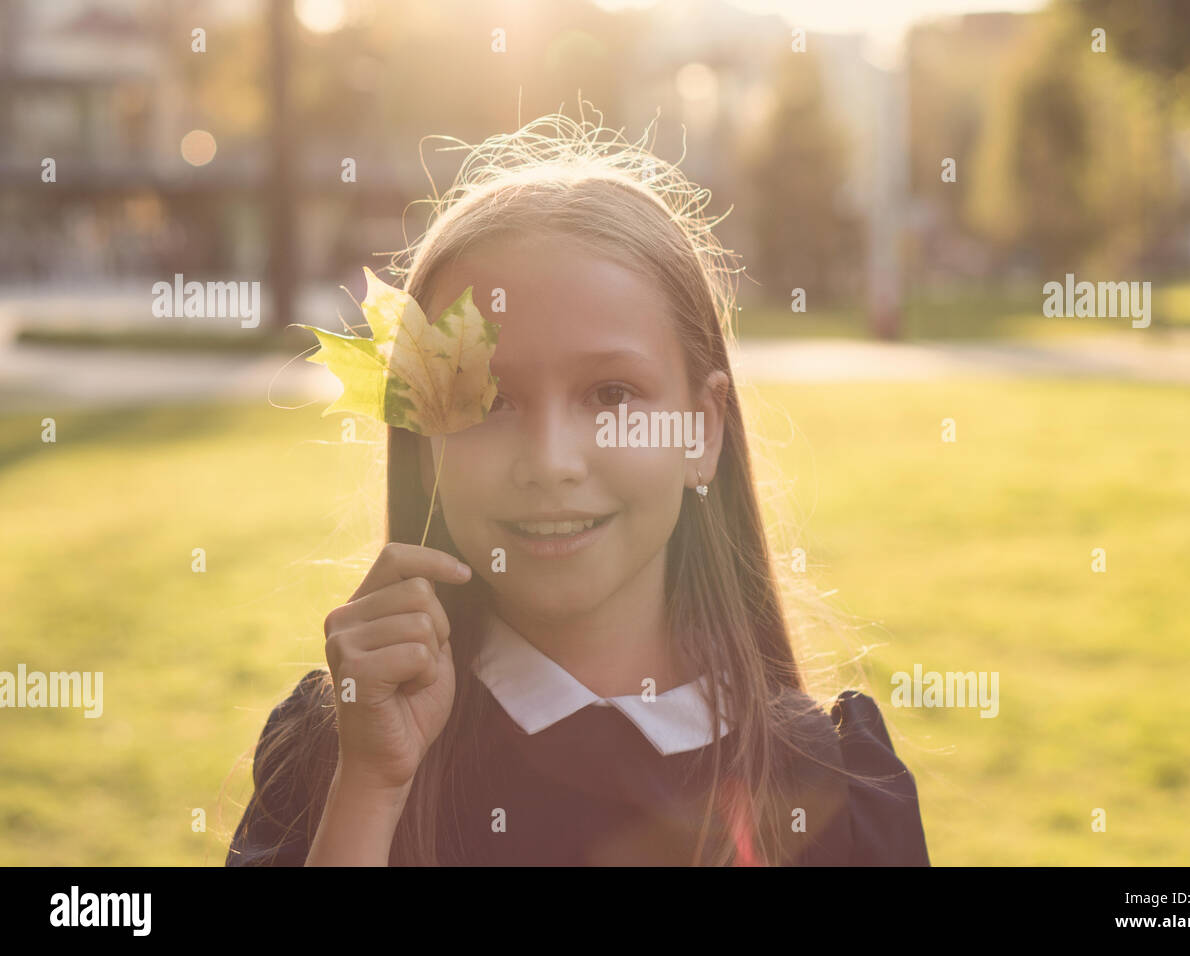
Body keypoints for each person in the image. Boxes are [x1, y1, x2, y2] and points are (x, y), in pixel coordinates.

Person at [225, 108, 929, 866]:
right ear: (423, 436)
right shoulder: (341, 754)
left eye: (612, 395)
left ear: (702, 429)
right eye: (492, 403)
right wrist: (369, 792)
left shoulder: (836, 785)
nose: (551, 460)